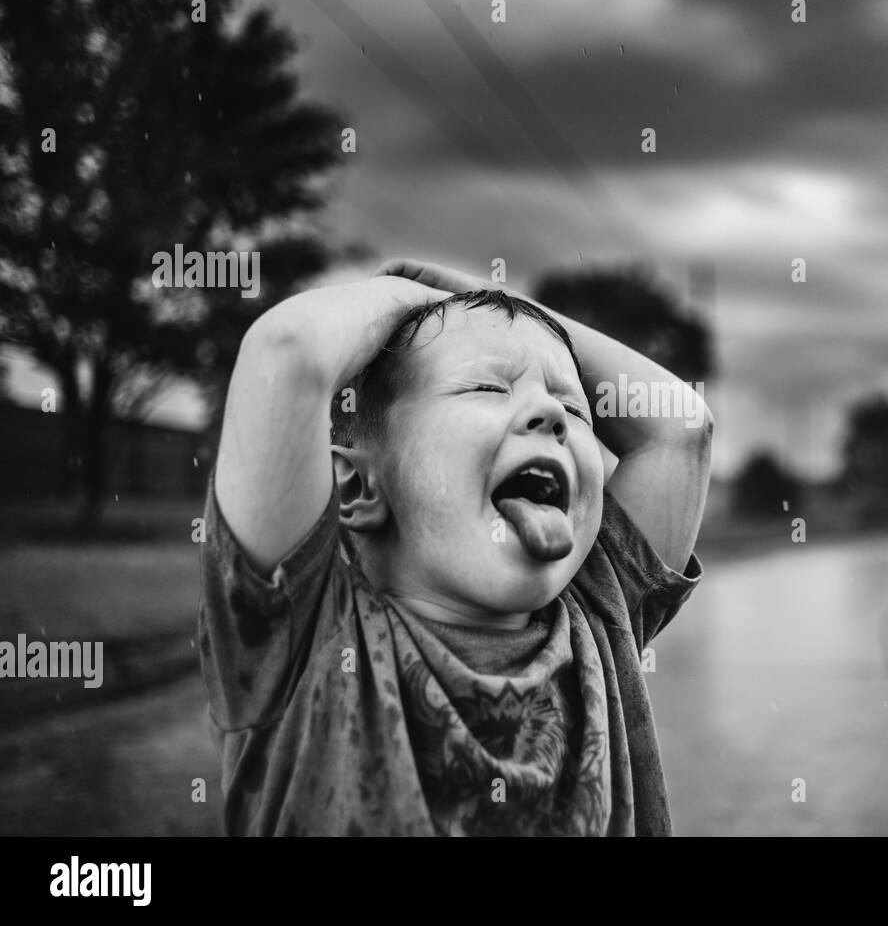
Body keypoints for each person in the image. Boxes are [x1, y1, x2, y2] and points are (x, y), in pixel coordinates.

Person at [198, 259, 712, 835]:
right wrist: (410, 298)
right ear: (357, 485)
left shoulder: (600, 614)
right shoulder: (303, 637)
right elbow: (287, 352)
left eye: (573, 408)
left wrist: (482, 303)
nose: (549, 414)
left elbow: (682, 426)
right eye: (488, 388)